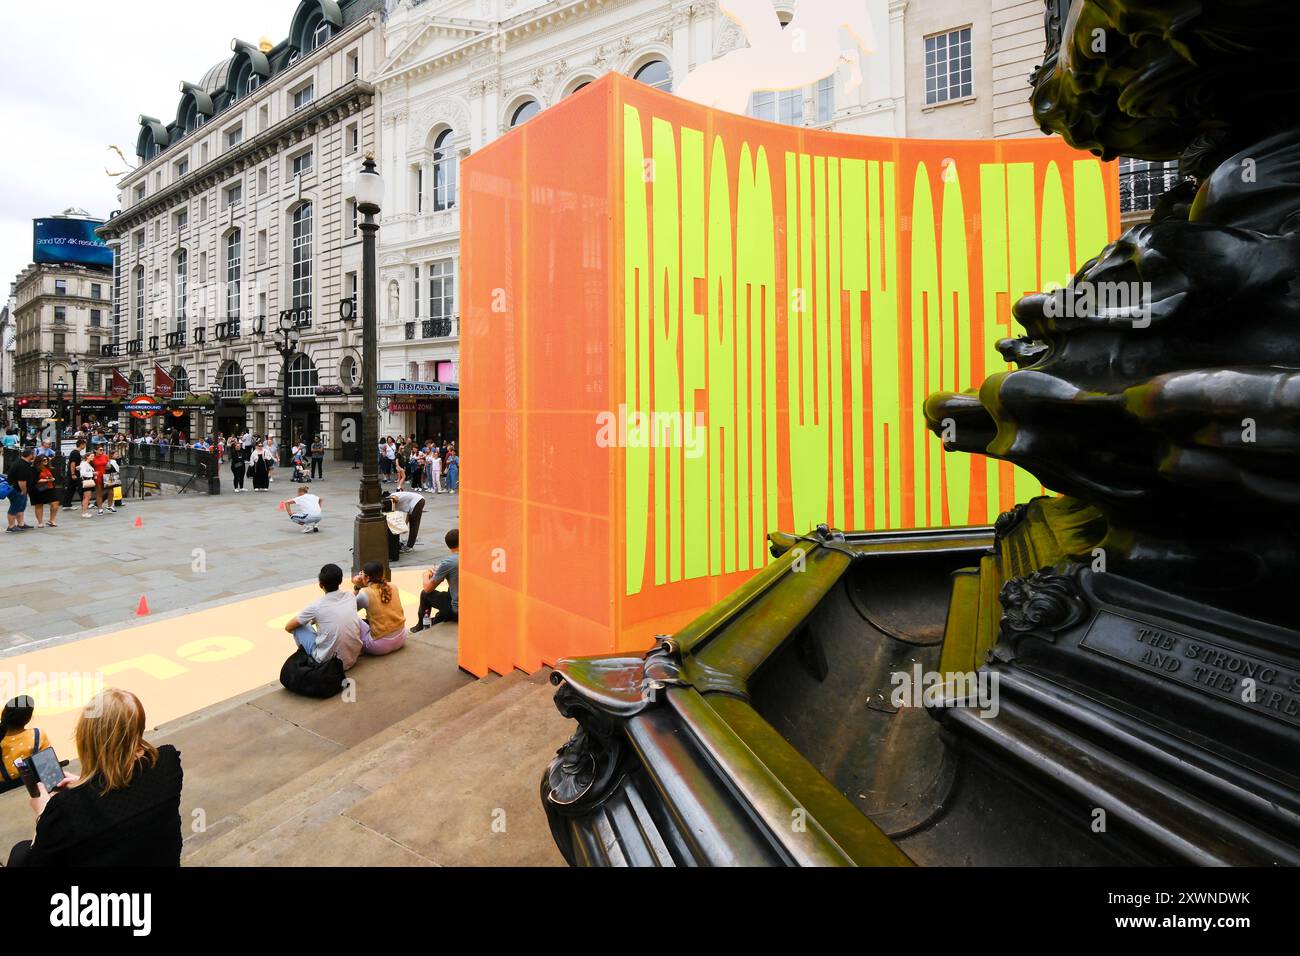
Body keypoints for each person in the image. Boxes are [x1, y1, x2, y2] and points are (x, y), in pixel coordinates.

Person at [6, 688, 183, 867]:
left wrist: (43, 815)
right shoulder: (168, 764)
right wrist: (87, 784)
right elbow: (125, 795)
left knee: (19, 853)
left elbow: (37, 861)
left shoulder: (66, 810)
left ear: (85, 738)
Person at [283, 564, 363, 670]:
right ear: (340, 581)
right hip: (352, 658)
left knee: (299, 628)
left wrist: (309, 623)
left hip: (328, 664)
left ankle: (311, 658)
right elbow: (353, 594)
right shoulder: (350, 597)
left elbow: (289, 627)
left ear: (321, 585)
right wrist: (357, 587)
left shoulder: (316, 606)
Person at [352, 561, 408, 655]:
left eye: (361, 573)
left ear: (367, 577)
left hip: (379, 646)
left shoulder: (365, 593)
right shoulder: (393, 586)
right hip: (401, 637)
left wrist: (357, 587)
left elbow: (349, 609)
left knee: (354, 619)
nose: (360, 575)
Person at [413, 528, 459, 631]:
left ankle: (420, 626)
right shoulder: (473, 556)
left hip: (458, 610)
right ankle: (440, 617)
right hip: (475, 606)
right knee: (447, 594)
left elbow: (428, 589)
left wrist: (426, 575)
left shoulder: (448, 562)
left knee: (425, 595)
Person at [0, 696, 52, 786]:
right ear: (28, 718)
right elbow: (49, 767)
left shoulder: (2, 742)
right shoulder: (37, 734)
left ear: (4, 715)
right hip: (38, 788)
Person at [5, 447, 35, 533]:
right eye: (33, 455)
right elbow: (21, 481)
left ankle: (21, 524)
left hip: (17, 489)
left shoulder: (21, 462)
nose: (34, 456)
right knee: (15, 507)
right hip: (16, 490)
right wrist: (24, 491)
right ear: (30, 456)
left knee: (21, 507)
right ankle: (11, 526)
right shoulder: (22, 465)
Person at [29, 451, 59, 528]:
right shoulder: (34, 469)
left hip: (50, 488)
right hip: (38, 489)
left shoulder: (50, 468)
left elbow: (54, 477)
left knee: (55, 504)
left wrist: (52, 479)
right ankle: (40, 522)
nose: (46, 461)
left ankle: (52, 520)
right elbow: (34, 480)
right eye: (43, 460)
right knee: (39, 504)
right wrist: (47, 480)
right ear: (39, 461)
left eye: (46, 460)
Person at [62, 438, 85, 510]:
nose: (85, 446)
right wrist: (73, 474)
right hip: (74, 474)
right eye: (84, 444)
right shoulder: (75, 453)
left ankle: (66, 504)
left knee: (71, 488)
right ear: (81, 445)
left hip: (74, 473)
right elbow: (72, 464)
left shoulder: (76, 453)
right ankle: (84, 502)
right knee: (80, 488)